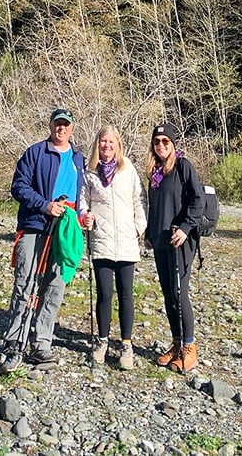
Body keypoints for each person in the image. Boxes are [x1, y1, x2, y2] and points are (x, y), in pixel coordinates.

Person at [1, 107, 86, 373]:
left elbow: (84, 192)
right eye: (57, 124)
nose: (61, 128)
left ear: (72, 128)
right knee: (25, 283)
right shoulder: (35, 152)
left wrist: (84, 217)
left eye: (66, 124)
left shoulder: (79, 158)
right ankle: (15, 342)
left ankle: (42, 344)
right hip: (35, 225)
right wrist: (44, 205)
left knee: (55, 284)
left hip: (66, 227)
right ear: (50, 126)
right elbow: (19, 187)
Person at [82, 125, 147, 370]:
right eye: (102, 142)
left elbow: (139, 199)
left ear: (118, 144)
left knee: (126, 295)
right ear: (97, 145)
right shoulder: (90, 173)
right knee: (105, 294)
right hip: (101, 241)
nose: (106, 146)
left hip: (127, 242)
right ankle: (102, 341)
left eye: (111, 142)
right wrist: (85, 216)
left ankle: (126, 344)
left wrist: (138, 227)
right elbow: (82, 202)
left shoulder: (128, 169)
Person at [144, 121, 204, 373]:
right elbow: (155, 208)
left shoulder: (182, 166)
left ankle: (190, 349)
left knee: (180, 294)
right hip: (160, 241)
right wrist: (149, 233)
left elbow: (197, 199)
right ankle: (177, 344)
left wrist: (185, 227)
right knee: (168, 295)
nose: (161, 146)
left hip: (180, 241)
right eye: (157, 142)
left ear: (173, 143)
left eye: (165, 141)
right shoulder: (155, 173)